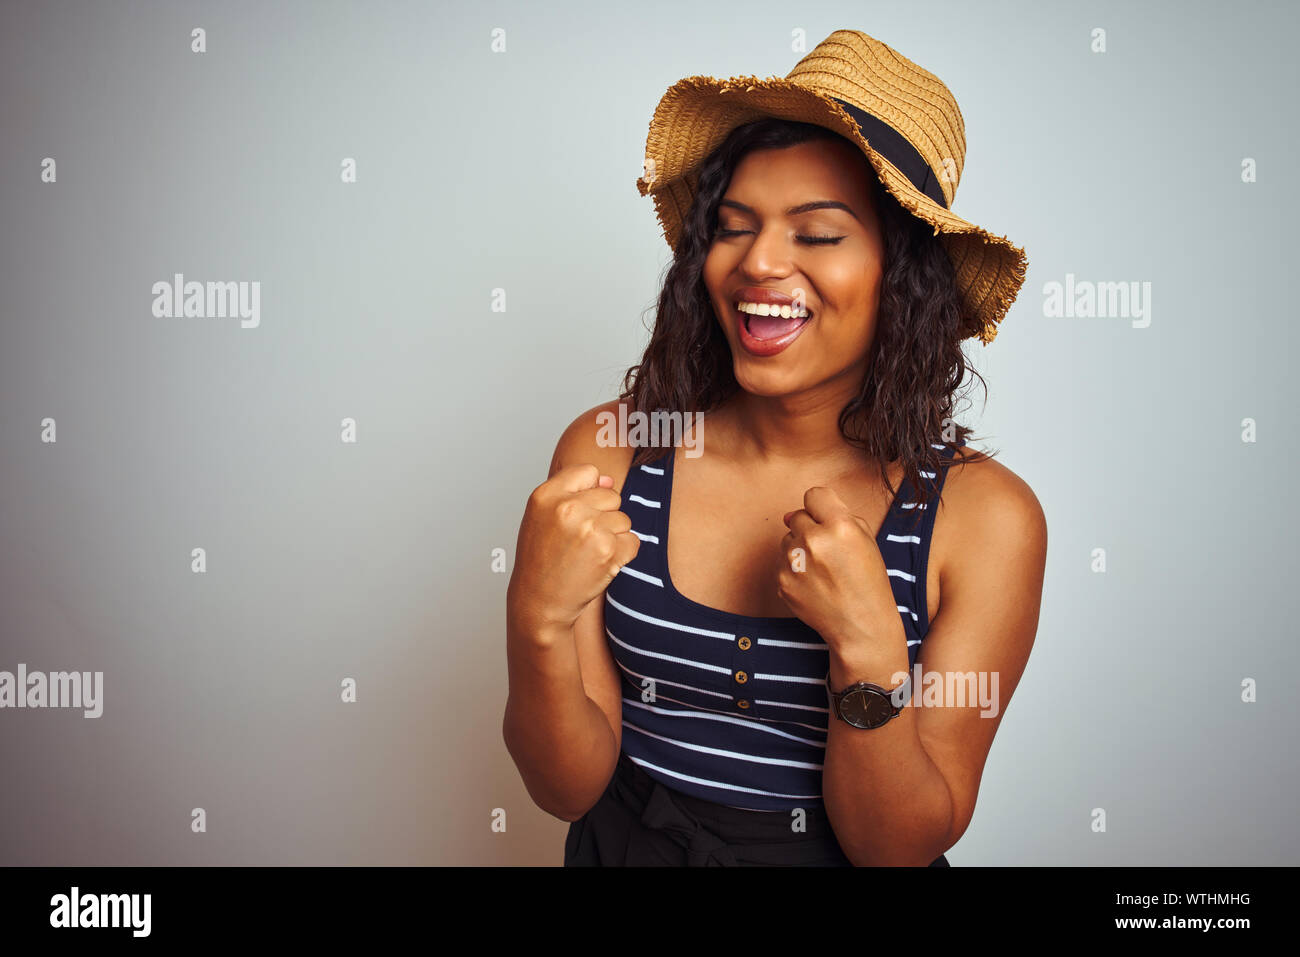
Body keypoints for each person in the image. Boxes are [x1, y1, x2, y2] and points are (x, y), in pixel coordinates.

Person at [503, 29, 1047, 866]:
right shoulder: (612, 456)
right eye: (734, 227)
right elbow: (565, 788)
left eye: (817, 234)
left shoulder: (985, 519)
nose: (758, 261)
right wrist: (535, 622)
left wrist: (869, 652)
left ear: (901, 275)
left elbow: (896, 846)